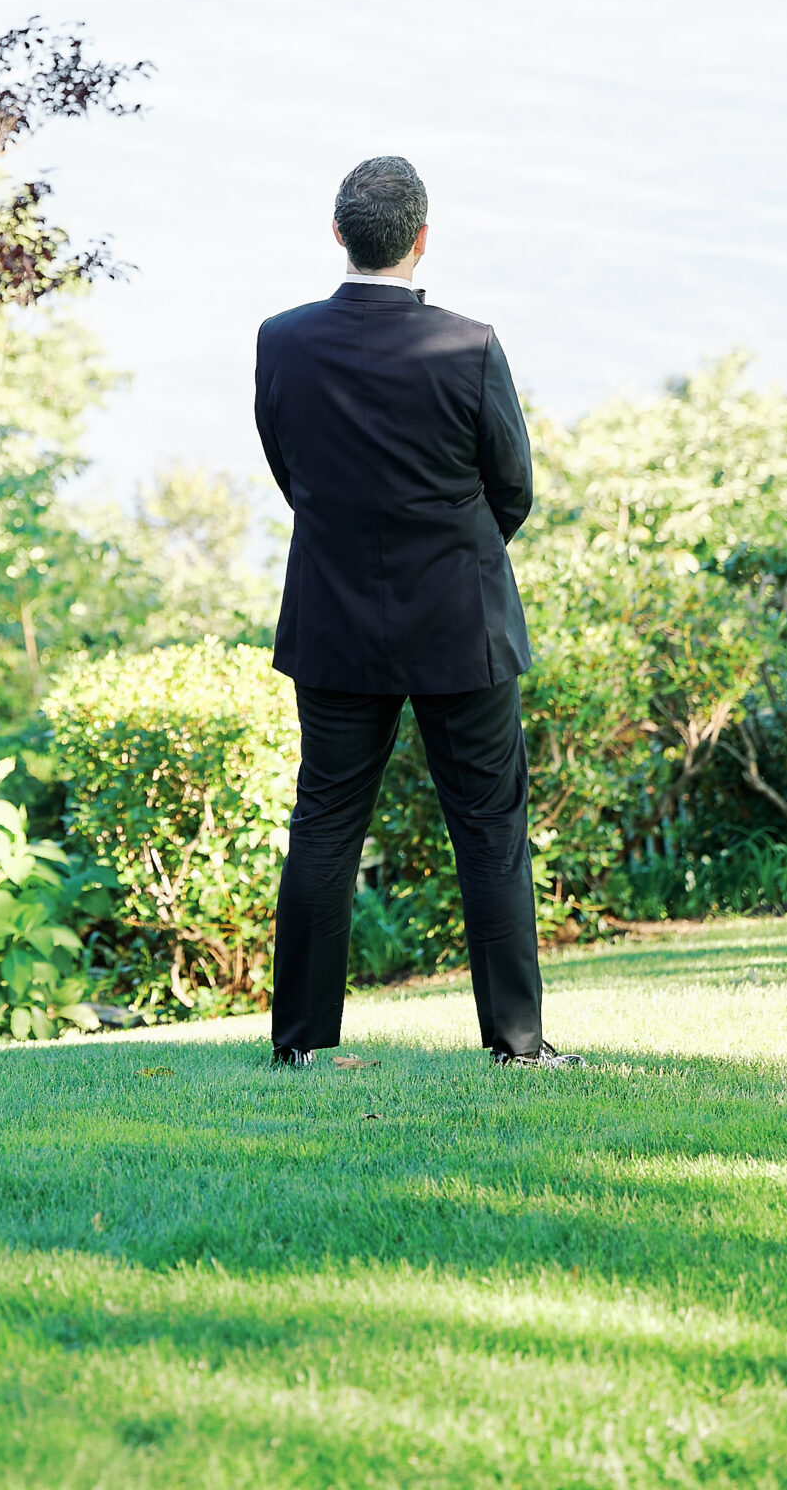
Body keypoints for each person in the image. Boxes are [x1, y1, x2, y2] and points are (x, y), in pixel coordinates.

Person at [254, 155, 581, 1070]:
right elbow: (510, 485)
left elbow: (291, 473)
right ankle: (517, 1045)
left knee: (323, 825)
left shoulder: (279, 341)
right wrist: (459, 554)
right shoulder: (468, 344)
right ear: (421, 239)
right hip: (460, 624)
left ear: (337, 236)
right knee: (488, 831)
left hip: (332, 620)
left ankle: (301, 1046)